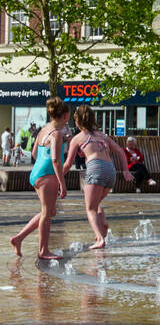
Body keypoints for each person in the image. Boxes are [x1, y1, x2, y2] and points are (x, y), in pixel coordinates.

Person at [10, 98, 70, 260]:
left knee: (50, 211)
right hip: (47, 176)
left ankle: (18, 238)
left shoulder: (44, 130)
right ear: (65, 115)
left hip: (36, 173)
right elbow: (56, 161)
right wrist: (62, 185)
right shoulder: (57, 134)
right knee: (46, 213)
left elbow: (35, 154)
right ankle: (43, 251)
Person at [63, 106, 128, 250]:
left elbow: (68, 163)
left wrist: (57, 176)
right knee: (96, 203)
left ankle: (99, 239)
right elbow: (120, 152)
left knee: (90, 208)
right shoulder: (103, 136)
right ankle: (103, 222)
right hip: (110, 171)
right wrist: (125, 170)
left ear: (78, 121)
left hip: (95, 168)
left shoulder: (78, 138)